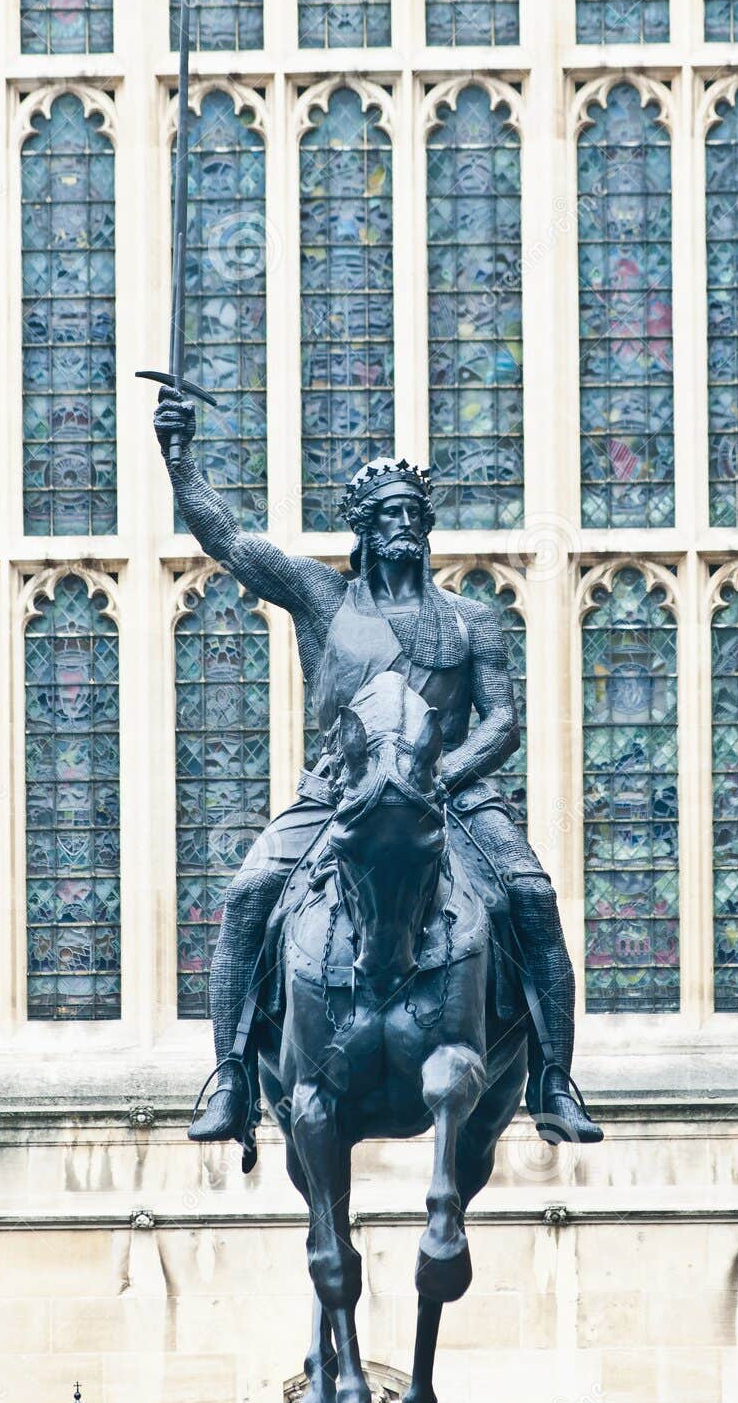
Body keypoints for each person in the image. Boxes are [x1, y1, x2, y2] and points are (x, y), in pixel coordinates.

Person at [154, 389, 603, 1149]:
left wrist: (444, 773)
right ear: (364, 530)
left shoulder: (469, 618)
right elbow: (228, 540)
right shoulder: (323, 598)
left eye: (413, 515)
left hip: (452, 791)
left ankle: (552, 1080)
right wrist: (179, 459)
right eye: (388, 515)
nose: (404, 526)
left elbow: (501, 722)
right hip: (339, 790)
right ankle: (231, 1078)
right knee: (247, 894)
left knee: (529, 895)